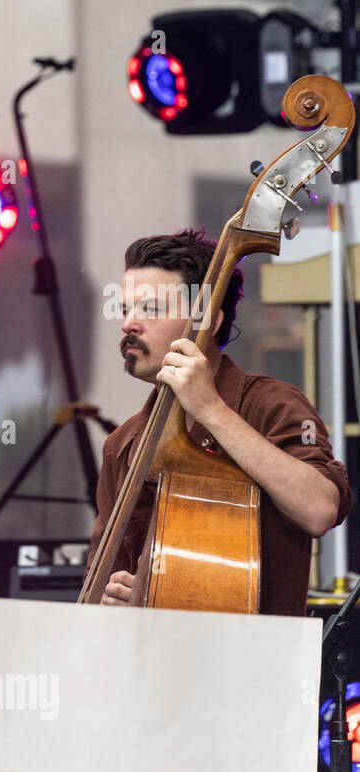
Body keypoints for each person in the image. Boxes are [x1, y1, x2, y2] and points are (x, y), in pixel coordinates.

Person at [89, 228, 351, 615]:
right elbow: (97, 590)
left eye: (151, 309)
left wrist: (211, 409)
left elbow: (319, 509)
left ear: (208, 319)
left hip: (257, 664)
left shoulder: (273, 405)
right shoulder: (123, 443)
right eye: (126, 309)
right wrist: (115, 601)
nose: (129, 323)